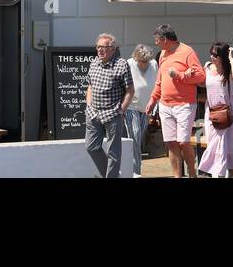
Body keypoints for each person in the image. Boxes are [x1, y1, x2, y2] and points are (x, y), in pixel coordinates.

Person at [143, 23, 205, 178]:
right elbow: (160, 79)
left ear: (165, 39)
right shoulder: (163, 54)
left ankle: (192, 174)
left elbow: (200, 76)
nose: (156, 42)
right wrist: (153, 99)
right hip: (165, 104)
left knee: (183, 142)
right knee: (170, 142)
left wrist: (180, 75)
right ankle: (177, 176)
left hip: (184, 104)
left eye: (157, 39)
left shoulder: (187, 52)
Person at [83, 33, 134, 178]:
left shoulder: (121, 64)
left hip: (112, 114)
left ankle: (111, 176)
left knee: (113, 152)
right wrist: (88, 104)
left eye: (104, 47)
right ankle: (111, 175)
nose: (100, 50)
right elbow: (90, 85)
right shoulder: (94, 62)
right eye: (98, 47)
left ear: (112, 49)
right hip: (93, 113)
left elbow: (130, 90)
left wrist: (121, 110)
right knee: (91, 147)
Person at [197, 43, 233, 178]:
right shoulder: (207, 67)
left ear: (222, 56)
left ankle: (224, 175)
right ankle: (214, 172)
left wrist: (231, 57)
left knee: (228, 146)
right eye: (211, 53)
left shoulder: (228, 71)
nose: (212, 57)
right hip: (212, 112)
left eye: (216, 55)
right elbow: (200, 83)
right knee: (214, 143)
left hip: (229, 112)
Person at [123, 44, 157, 178]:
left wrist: (155, 106)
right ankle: (135, 171)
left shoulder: (153, 64)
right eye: (141, 61)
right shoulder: (129, 64)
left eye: (146, 61)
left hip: (147, 108)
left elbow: (156, 85)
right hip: (132, 106)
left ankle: (136, 168)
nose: (144, 64)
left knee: (138, 139)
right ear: (135, 58)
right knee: (135, 135)